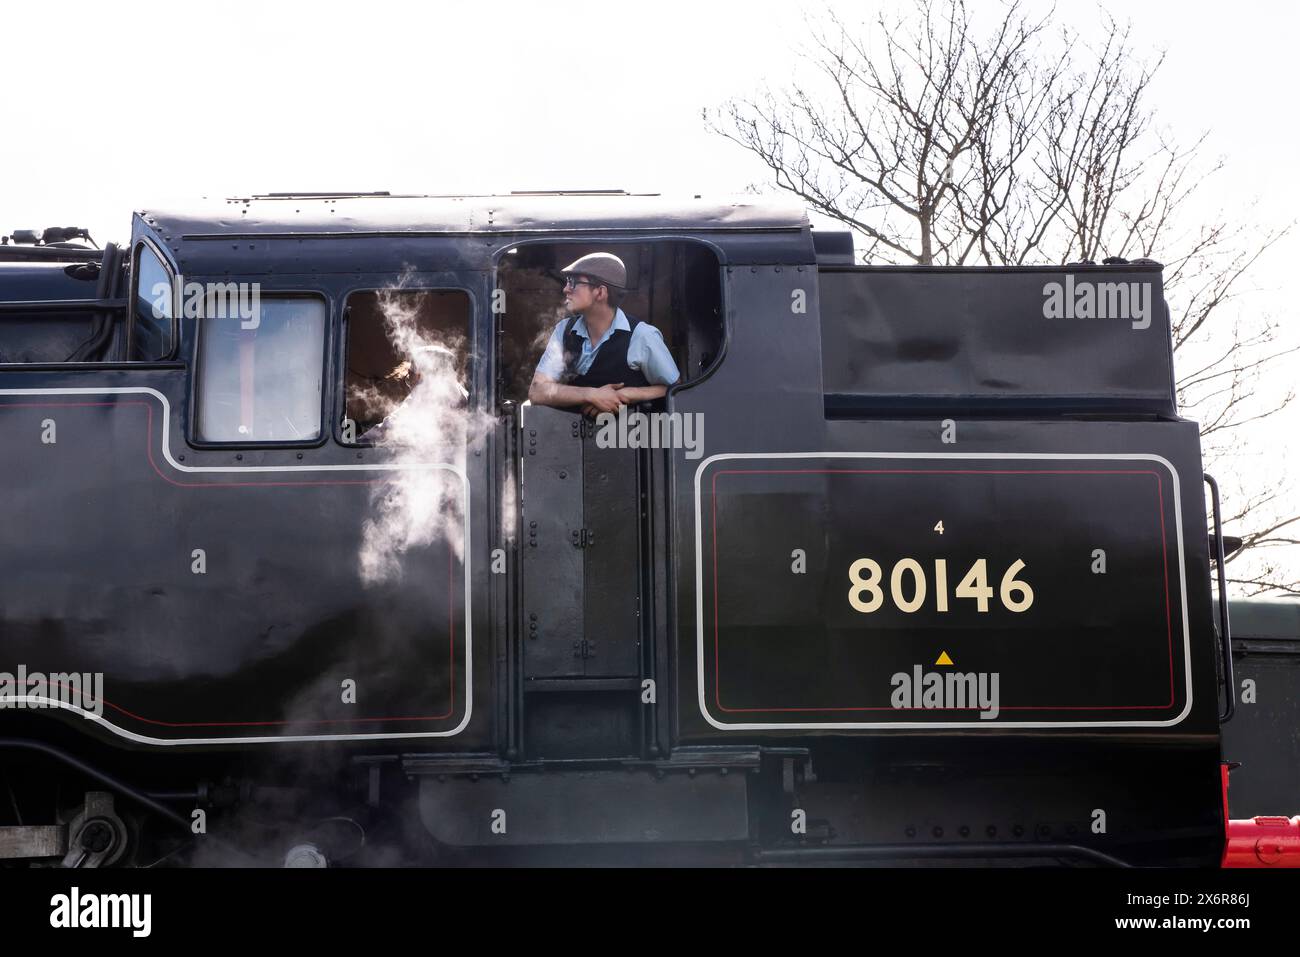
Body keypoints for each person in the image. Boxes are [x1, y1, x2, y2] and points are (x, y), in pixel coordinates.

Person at [528, 253, 679, 416]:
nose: (566, 289)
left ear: (600, 292)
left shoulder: (642, 335)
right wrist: (592, 395)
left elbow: (676, 389)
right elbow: (537, 391)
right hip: (569, 438)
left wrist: (626, 394)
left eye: (573, 282)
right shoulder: (564, 331)